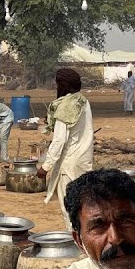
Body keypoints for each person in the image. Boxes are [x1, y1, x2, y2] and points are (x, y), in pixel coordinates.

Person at [36, 68, 94, 229]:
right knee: (83, 206)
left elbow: (60, 141)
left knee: (69, 209)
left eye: (57, 84)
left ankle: (75, 243)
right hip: (84, 160)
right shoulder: (82, 101)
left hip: (69, 163)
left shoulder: (66, 107)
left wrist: (45, 167)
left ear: (62, 85)